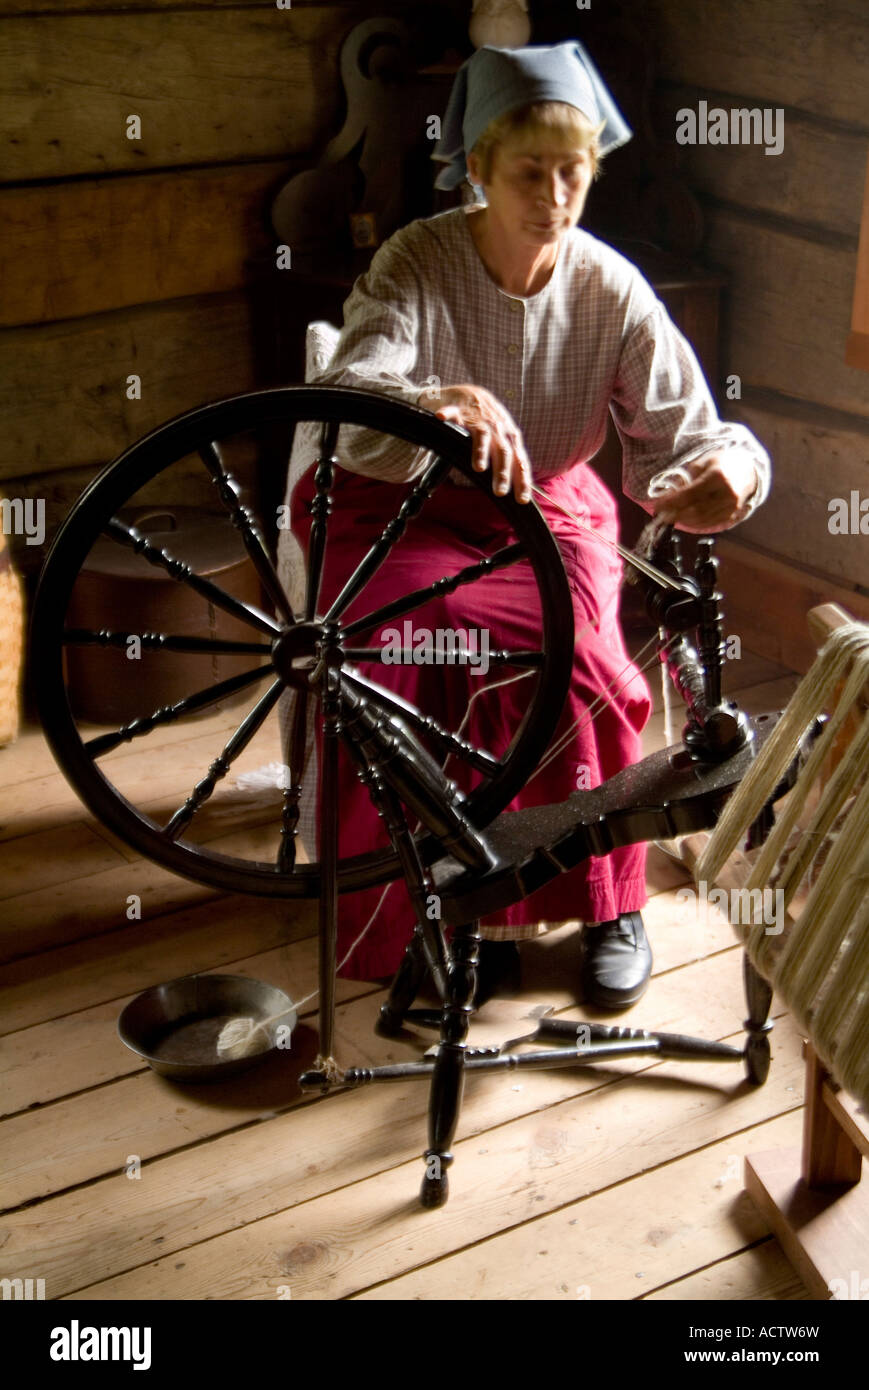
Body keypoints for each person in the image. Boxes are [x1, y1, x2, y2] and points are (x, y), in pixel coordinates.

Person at [284, 42, 770, 1009]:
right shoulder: (418, 257)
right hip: (401, 502)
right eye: (528, 171)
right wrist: (439, 405)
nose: (555, 194)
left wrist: (732, 473)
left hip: (540, 503)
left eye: (573, 171)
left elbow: (696, 432)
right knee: (398, 649)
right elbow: (352, 386)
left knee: (582, 663)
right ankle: (442, 899)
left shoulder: (610, 288)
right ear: (476, 169)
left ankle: (605, 900)